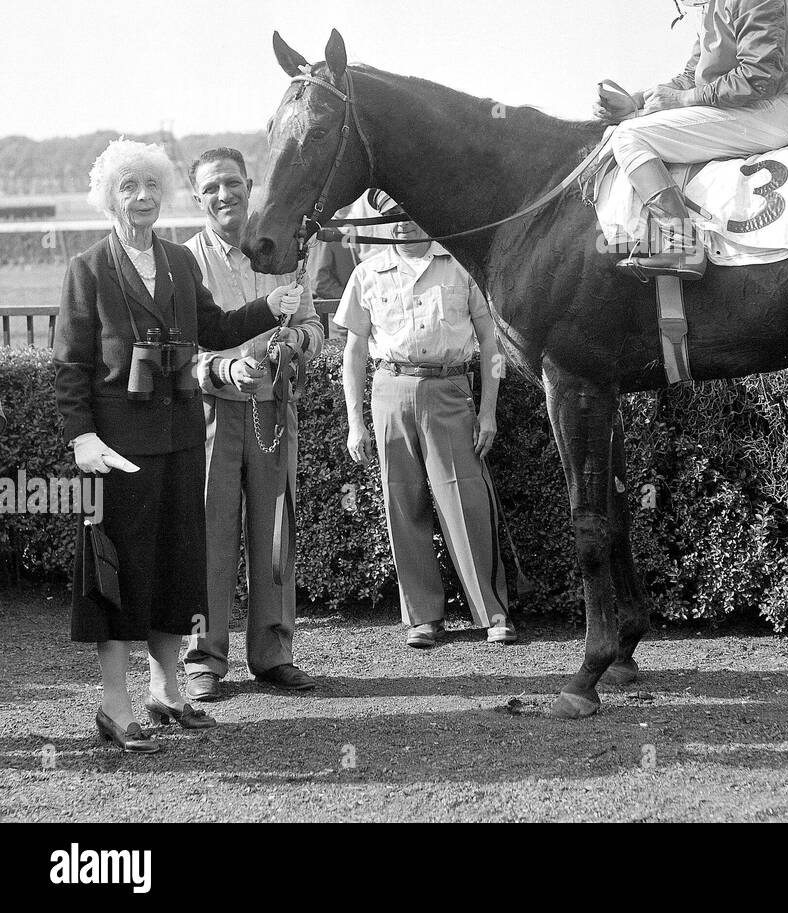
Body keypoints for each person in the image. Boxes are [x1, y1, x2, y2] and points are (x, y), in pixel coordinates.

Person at [54, 139, 302, 753]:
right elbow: (70, 367)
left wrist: (267, 307)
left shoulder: (178, 263)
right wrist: (81, 437)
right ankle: (115, 708)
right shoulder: (87, 269)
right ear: (109, 196)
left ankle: (167, 695)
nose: (141, 199)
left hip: (183, 439)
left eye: (150, 188)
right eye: (127, 188)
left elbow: (213, 329)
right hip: (116, 447)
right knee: (117, 577)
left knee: (174, 567)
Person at [594, 0, 788, 280]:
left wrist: (678, 102)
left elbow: (757, 78)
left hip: (766, 111)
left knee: (629, 136)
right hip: (744, 110)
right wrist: (637, 102)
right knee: (625, 125)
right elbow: (694, 74)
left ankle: (684, 246)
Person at [335, 195, 515, 647]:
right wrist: (356, 422)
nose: (402, 225)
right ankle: (422, 617)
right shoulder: (367, 273)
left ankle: (491, 613)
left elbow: (492, 344)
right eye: (390, 216)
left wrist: (489, 409)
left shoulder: (461, 266)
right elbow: (354, 352)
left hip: (449, 389)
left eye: (409, 212)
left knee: (466, 502)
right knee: (403, 504)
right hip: (390, 391)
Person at [182, 147, 324, 701]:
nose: (225, 195)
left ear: (250, 186)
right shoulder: (183, 262)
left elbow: (315, 326)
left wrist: (298, 342)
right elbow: (177, 351)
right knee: (210, 539)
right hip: (211, 416)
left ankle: (272, 654)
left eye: (234, 183)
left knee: (274, 536)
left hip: (274, 413)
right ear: (198, 198)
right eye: (213, 187)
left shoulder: (281, 253)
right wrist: (222, 367)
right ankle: (202, 659)